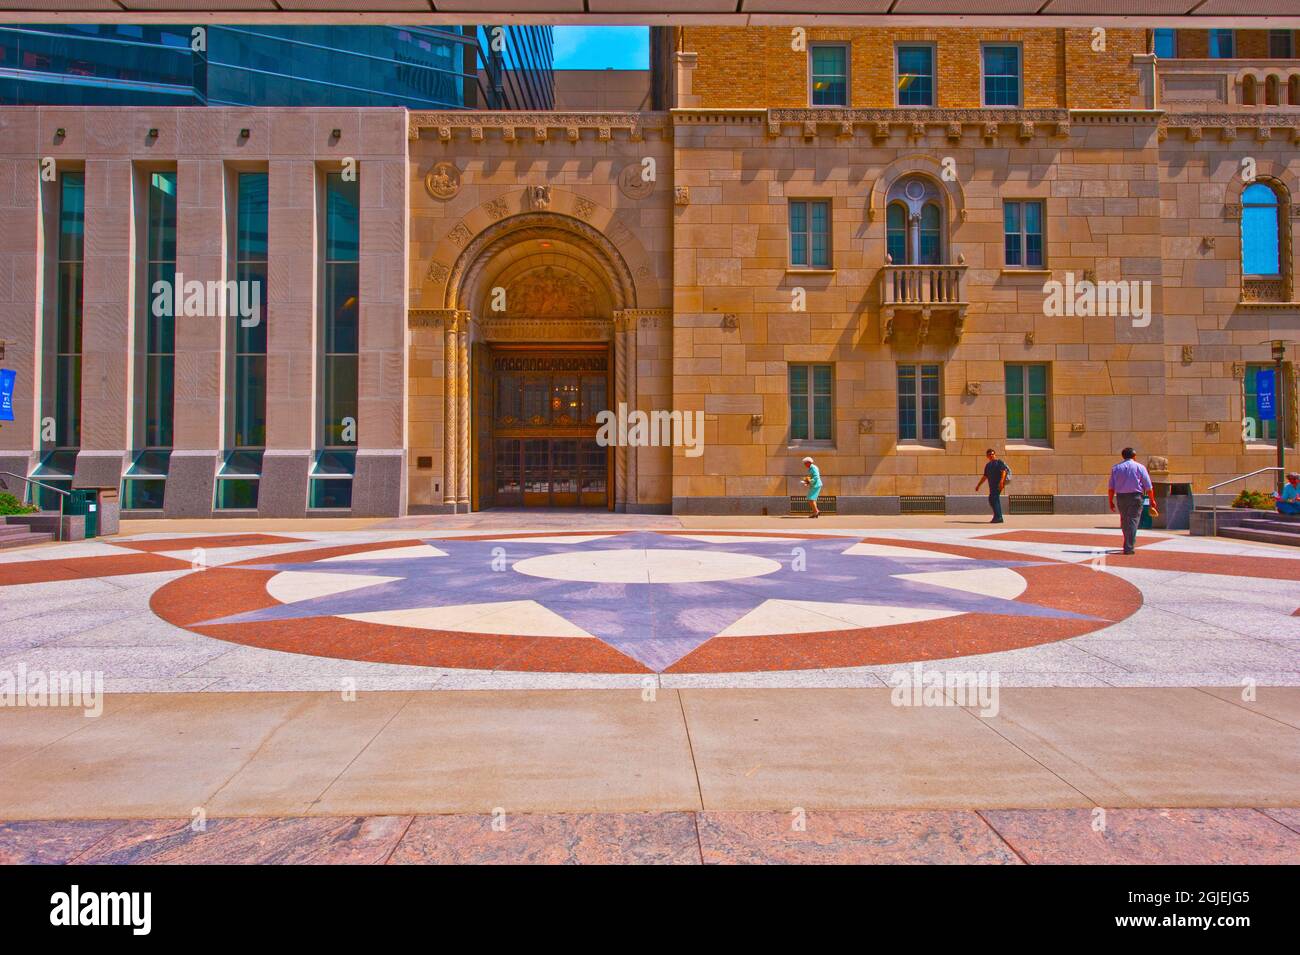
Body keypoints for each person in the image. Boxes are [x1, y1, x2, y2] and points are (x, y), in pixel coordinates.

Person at [1108, 447, 1157, 554]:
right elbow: (1148, 486)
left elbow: (1111, 487)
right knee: (1133, 521)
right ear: (1134, 456)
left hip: (1121, 497)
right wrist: (1152, 500)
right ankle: (1129, 547)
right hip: (1135, 497)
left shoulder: (1116, 468)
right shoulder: (1140, 467)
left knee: (1125, 521)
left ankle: (1128, 542)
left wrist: (1110, 500)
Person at [975, 448, 1009, 523]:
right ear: (987, 456)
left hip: (998, 484)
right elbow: (985, 477)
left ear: (995, 454)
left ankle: (998, 517)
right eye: (990, 454)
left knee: (994, 498)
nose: (991, 455)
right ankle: (998, 516)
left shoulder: (999, 462)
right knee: (992, 499)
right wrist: (978, 485)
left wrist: (1001, 481)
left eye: (993, 454)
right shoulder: (988, 465)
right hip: (992, 486)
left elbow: (1004, 472)